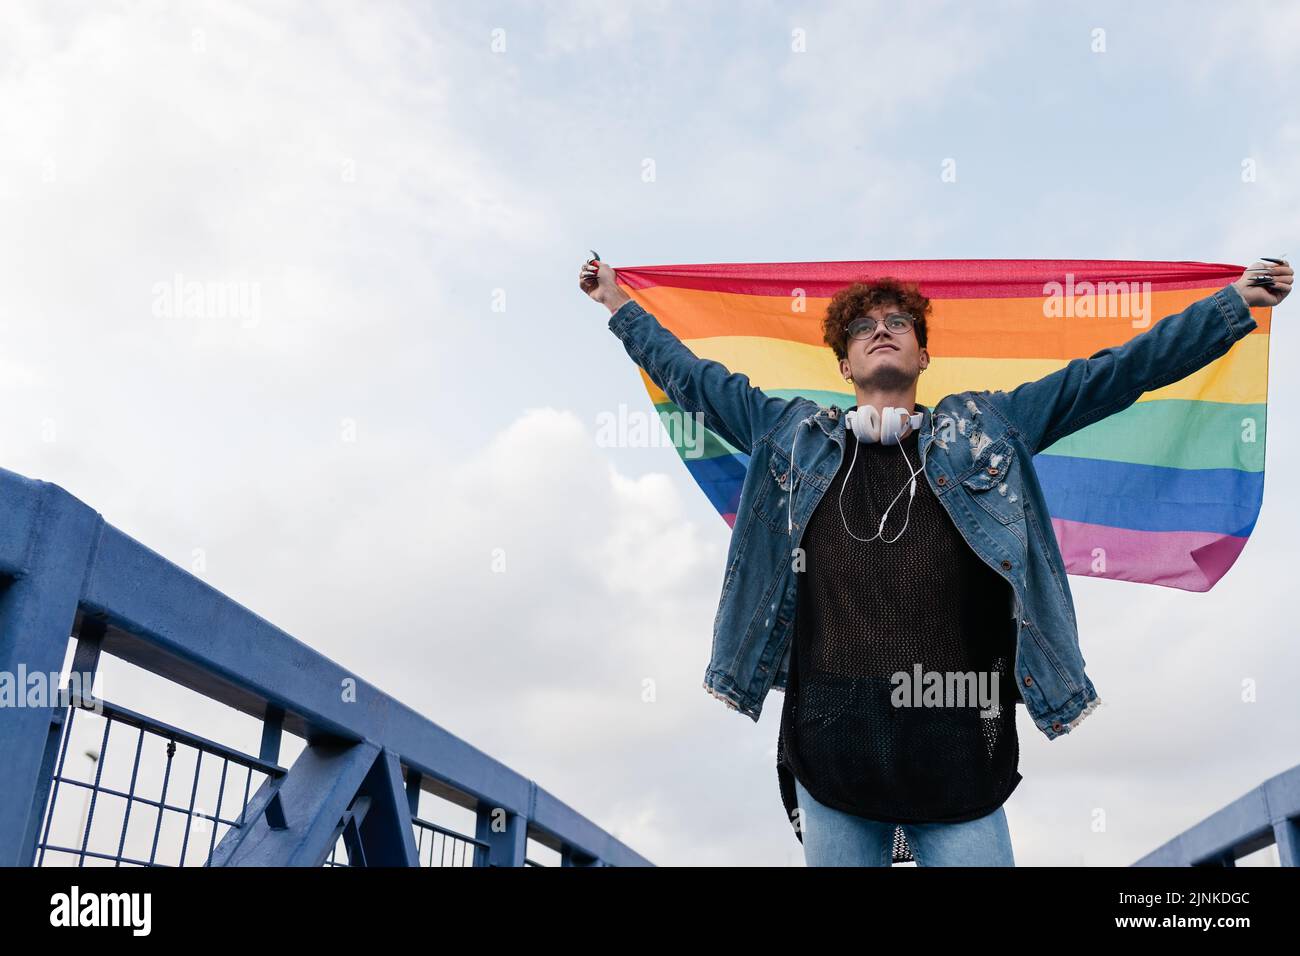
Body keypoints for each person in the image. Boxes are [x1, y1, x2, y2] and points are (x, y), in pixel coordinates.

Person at [580, 254, 1290, 866]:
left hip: (962, 761)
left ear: (923, 355)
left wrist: (1235, 307)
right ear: (844, 363)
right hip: (832, 757)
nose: (880, 330)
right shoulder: (788, 435)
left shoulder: (991, 430)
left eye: (898, 323)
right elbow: (689, 376)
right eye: (862, 327)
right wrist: (617, 300)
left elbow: (1114, 374)